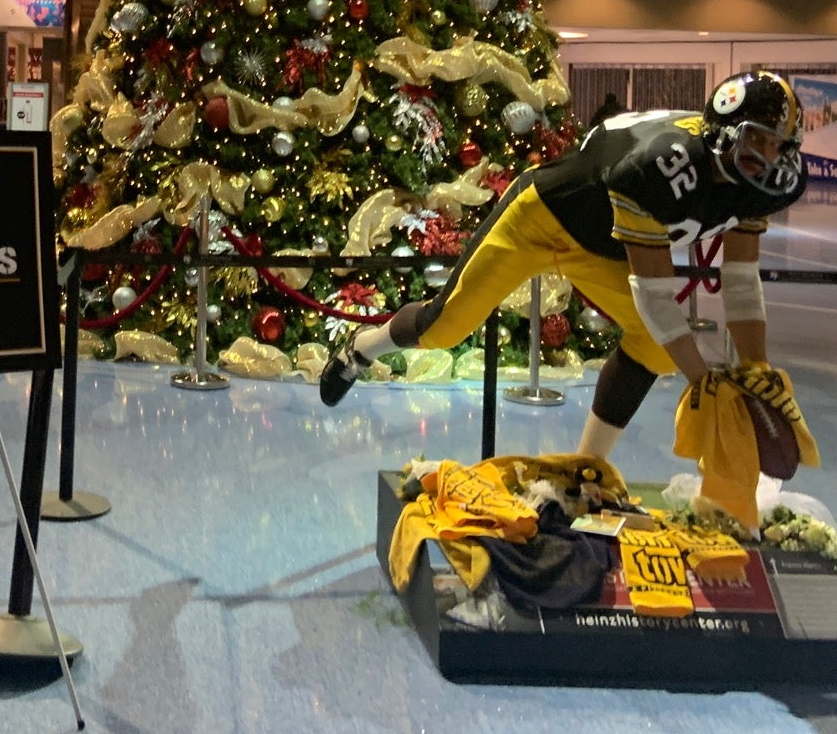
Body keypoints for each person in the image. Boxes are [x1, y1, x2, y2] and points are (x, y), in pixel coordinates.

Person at [320, 71, 808, 461]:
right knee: (444, 328)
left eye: (779, 146)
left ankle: (587, 466)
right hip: (541, 217)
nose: (768, 158)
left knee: (656, 349)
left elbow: (741, 282)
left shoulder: (759, 183)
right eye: (758, 141)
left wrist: (758, 371)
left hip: (602, 246)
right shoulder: (660, 164)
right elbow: (658, 297)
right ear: (723, 132)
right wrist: (707, 385)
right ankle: (361, 348)